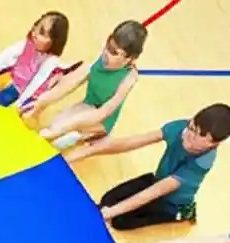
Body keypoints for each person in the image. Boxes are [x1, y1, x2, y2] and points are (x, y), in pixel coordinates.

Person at [72, 103, 230, 230]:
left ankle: (182, 215)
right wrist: (91, 150)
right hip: (157, 179)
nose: (189, 136)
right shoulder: (180, 128)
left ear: (215, 143)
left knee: (120, 221)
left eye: (200, 136)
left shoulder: (200, 163)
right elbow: (133, 142)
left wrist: (110, 213)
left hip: (170, 200)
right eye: (192, 128)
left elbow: (156, 191)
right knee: (108, 199)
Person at [29, 20, 146, 149]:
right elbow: (70, 83)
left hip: (101, 120)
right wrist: (40, 104)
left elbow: (104, 112)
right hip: (87, 105)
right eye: (108, 46)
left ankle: (93, 135)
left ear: (131, 59)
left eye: (115, 52)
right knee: (55, 125)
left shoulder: (129, 78)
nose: (106, 54)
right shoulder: (101, 59)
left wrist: (67, 127)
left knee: (58, 141)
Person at [0, 11, 69, 110]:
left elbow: (38, 84)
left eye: (42, 33)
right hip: (15, 89)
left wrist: (20, 104)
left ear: (54, 41)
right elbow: (6, 57)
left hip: (31, 100)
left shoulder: (52, 64)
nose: (34, 33)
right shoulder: (26, 46)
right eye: (36, 26)